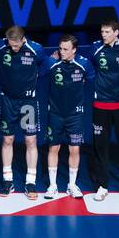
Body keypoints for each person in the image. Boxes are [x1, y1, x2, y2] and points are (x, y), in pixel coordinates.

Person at [80, 20, 119, 202]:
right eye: (102, 31)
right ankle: (102, 185)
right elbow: (86, 65)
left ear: (116, 32)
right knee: (100, 148)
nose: (103, 35)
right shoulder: (95, 49)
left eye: (107, 32)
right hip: (102, 105)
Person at [0, 25, 44, 196]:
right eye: (10, 44)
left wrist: (34, 77)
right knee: (7, 139)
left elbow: (45, 65)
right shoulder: (0, 45)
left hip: (28, 102)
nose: (13, 48)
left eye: (16, 45)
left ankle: (30, 181)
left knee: (30, 141)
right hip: (8, 100)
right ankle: (7, 180)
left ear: (23, 39)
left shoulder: (36, 49)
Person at [38, 34, 94, 198]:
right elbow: (39, 75)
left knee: (74, 149)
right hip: (55, 114)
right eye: (60, 48)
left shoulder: (83, 64)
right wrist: (49, 60)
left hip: (75, 115)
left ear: (74, 50)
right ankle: (53, 185)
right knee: (53, 148)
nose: (62, 52)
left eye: (66, 49)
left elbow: (92, 79)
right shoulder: (51, 62)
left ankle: (72, 185)